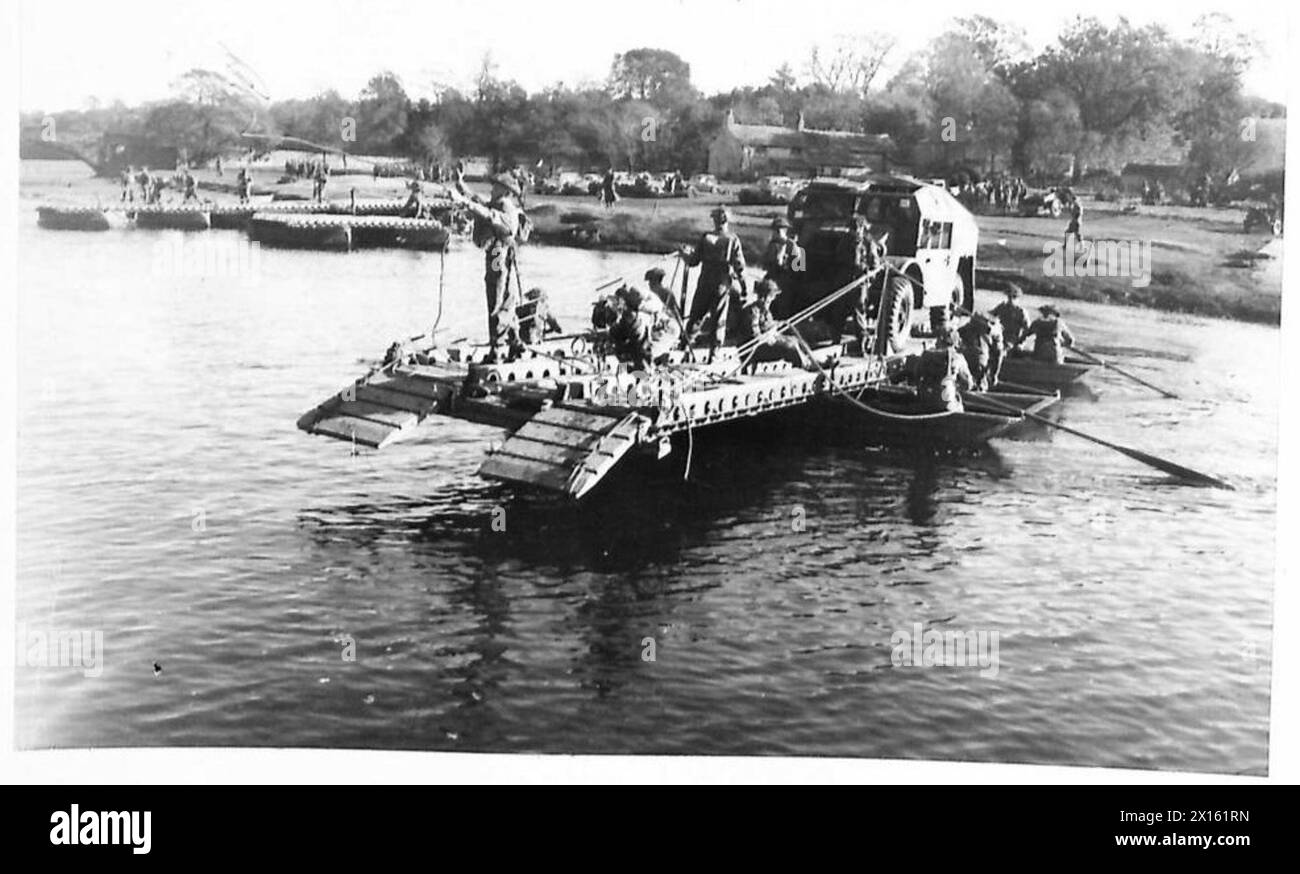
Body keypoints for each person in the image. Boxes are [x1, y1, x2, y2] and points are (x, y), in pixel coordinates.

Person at [448, 169, 529, 363]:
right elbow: (479, 201)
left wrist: (463, 201)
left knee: (496, 299)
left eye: (496, 186)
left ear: (506, 191)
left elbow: (488, 214)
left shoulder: (506, 209)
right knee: (506, 299)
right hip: (499, 255)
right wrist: (461, 185)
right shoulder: (499, 204)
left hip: (498, 256)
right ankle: (514, 342)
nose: (492, 189)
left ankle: (497, 349)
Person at [680, 206, 747, 361]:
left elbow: (693, 261)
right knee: (718, 318)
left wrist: (685, 255)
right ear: (727, 220)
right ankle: (714, 353)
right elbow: (740, 268)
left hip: (704, 282)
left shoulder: (706, 237)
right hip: (721, 284)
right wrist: (744, 288)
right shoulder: (732, 239)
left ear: (715, 220)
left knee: (696, 315)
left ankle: (684, 346)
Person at [736, 279, 808, 369]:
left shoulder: (766, 311)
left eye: (772, 297)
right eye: (769, 297)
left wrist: (778, 324)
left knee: (795, 339)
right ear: (762, 296)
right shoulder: (753, 311)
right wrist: (770, 338)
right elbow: (754, 336)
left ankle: (811, 360)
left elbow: (767, 324)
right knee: (791, 345)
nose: (770, 300)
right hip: (753, 351)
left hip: (764, 344)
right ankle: (805, 365)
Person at [906, 329, 974, 412]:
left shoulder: (926, 355)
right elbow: (968, 384)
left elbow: (916, 375)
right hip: (948, 404)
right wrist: (956, 386)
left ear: (938, 341)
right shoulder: (958, 358)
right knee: (960, 408)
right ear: (955, 343)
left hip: (925, 402)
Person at [957, 312, 1004, 391]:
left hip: (964, 363)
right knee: (979, 387)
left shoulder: (966, 329)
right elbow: (998, 354)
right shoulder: (995, 333)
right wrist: (994, 375)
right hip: (979, 364)